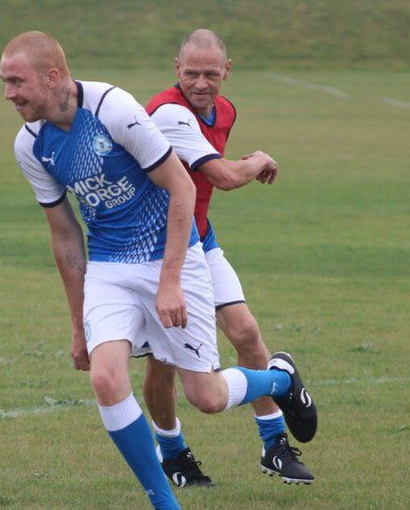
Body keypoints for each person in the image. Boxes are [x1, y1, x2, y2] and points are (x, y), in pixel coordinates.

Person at [1, 30, 316, 509]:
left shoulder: (113, 108)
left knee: (206, 397)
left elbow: (181, 190)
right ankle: (165, 502)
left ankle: (278, 380)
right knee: (106, 378)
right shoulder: (30, 145)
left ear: (52, 76)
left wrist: (170, 283)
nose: (9, 94)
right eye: (4, 82)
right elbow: (65, 236)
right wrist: (77, 324)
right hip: (109, 266)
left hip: (171, 257)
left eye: (16, 81)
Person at [138, 29, 318, 486]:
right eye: (192, 73)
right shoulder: (167, 112)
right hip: (151, 249)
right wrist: (258, 160)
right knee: (163, 361)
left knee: (246, 331)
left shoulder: (226, 110)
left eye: (211, 74)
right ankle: (173, 453)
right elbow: (221, 175)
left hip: (199, 239)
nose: (201, 83)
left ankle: (274, 444)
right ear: (175, 69)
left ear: (227, 71)